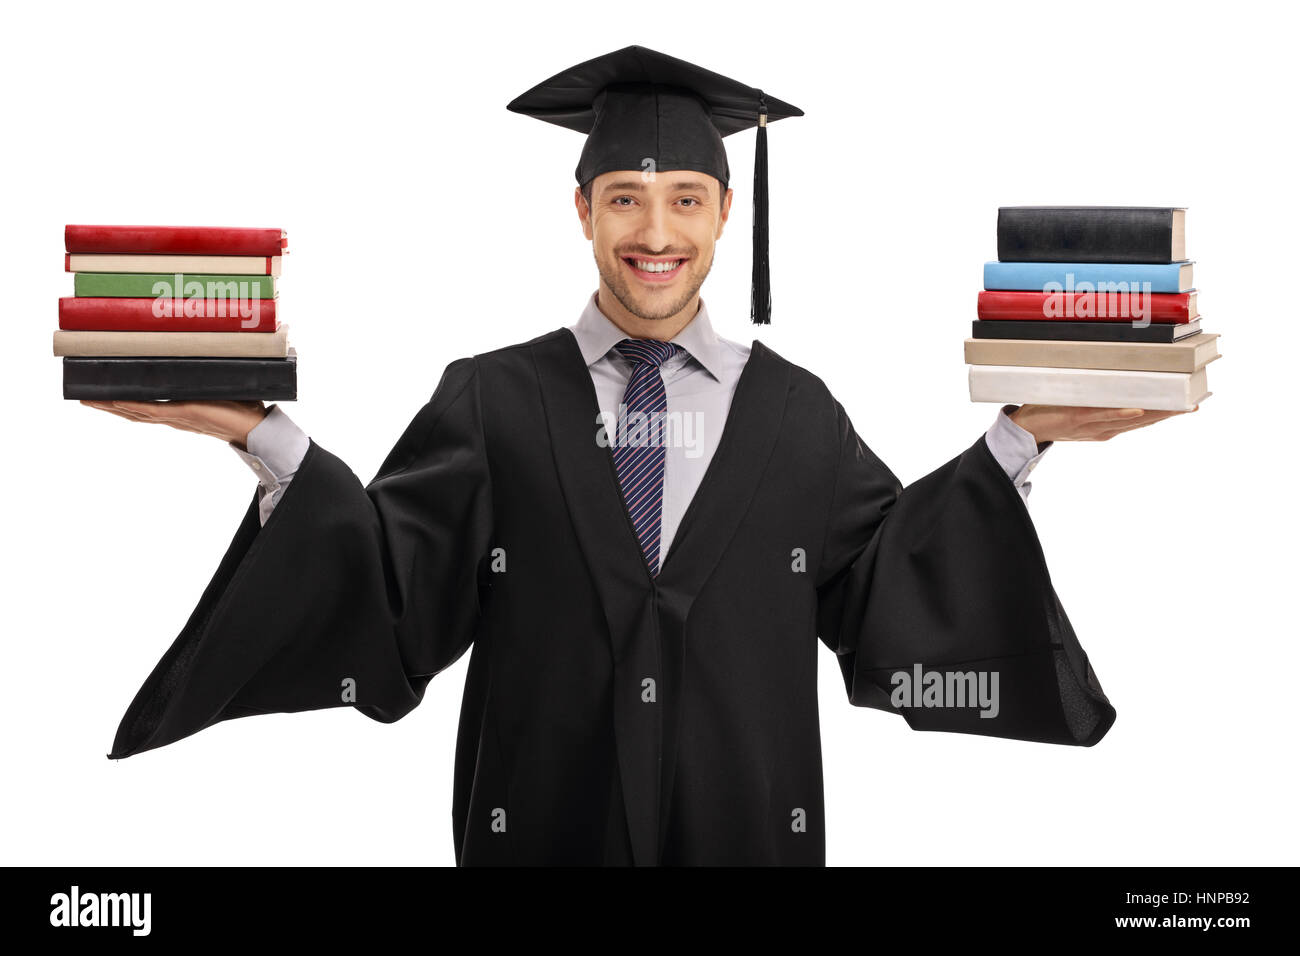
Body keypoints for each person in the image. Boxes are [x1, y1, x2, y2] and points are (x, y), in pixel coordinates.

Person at [83, 46, 1189, 866]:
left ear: (721, 213)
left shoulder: (796, 415)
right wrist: (266, 440)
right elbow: (392, 590)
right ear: (580, 210)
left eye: (683, 200)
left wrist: (1017, 439)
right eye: (623, 198)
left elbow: (889, 588)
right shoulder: (492, 397)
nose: (653, 231)